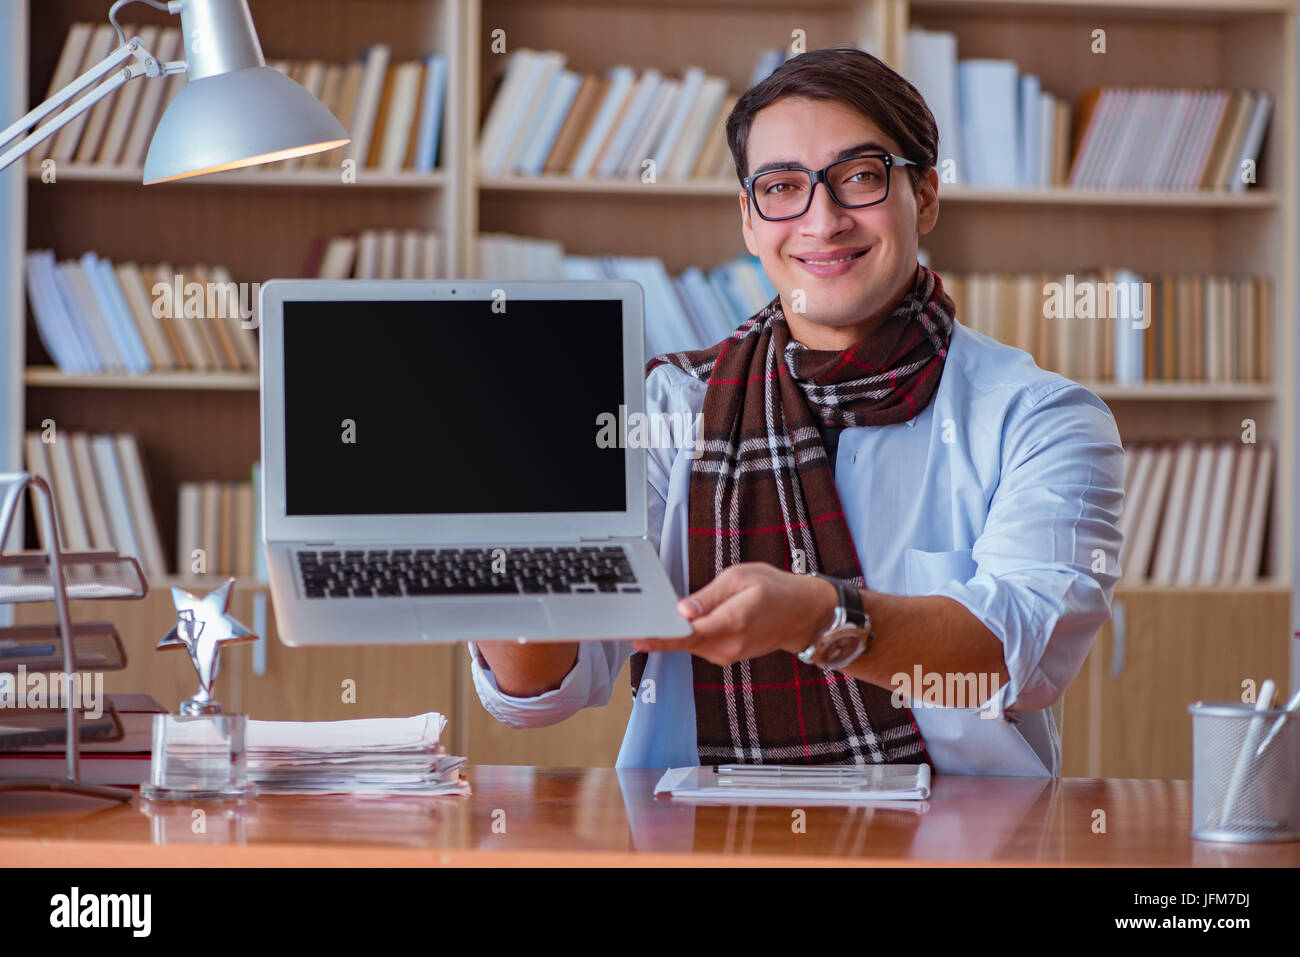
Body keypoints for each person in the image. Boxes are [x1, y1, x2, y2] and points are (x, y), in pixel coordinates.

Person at [470, 46, 1124, 775]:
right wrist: (507, 520)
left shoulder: (1044, 419)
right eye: (783, 187)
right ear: (750, 221)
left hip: (960, 841)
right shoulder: (666, 407)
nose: (823, 219)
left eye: (859, 177)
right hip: (697, 837)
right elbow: (542, 686)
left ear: (927, 197)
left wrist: (819, 616)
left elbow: (1012, 660)